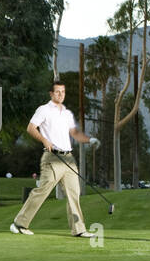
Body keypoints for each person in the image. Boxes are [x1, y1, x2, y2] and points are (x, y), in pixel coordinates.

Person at [10, 82, 98, 238]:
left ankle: (79, 229)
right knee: (43, 191)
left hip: (68, 158)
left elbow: (75, 133)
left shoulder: (66, 113)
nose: (61, 95)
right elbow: (31, 128)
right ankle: (19, 223)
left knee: (74, 194)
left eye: (63, 92)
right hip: (52, 157)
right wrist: (44, 140)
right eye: (57, 92)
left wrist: (89, 140)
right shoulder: (44, 110)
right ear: (51, 94)